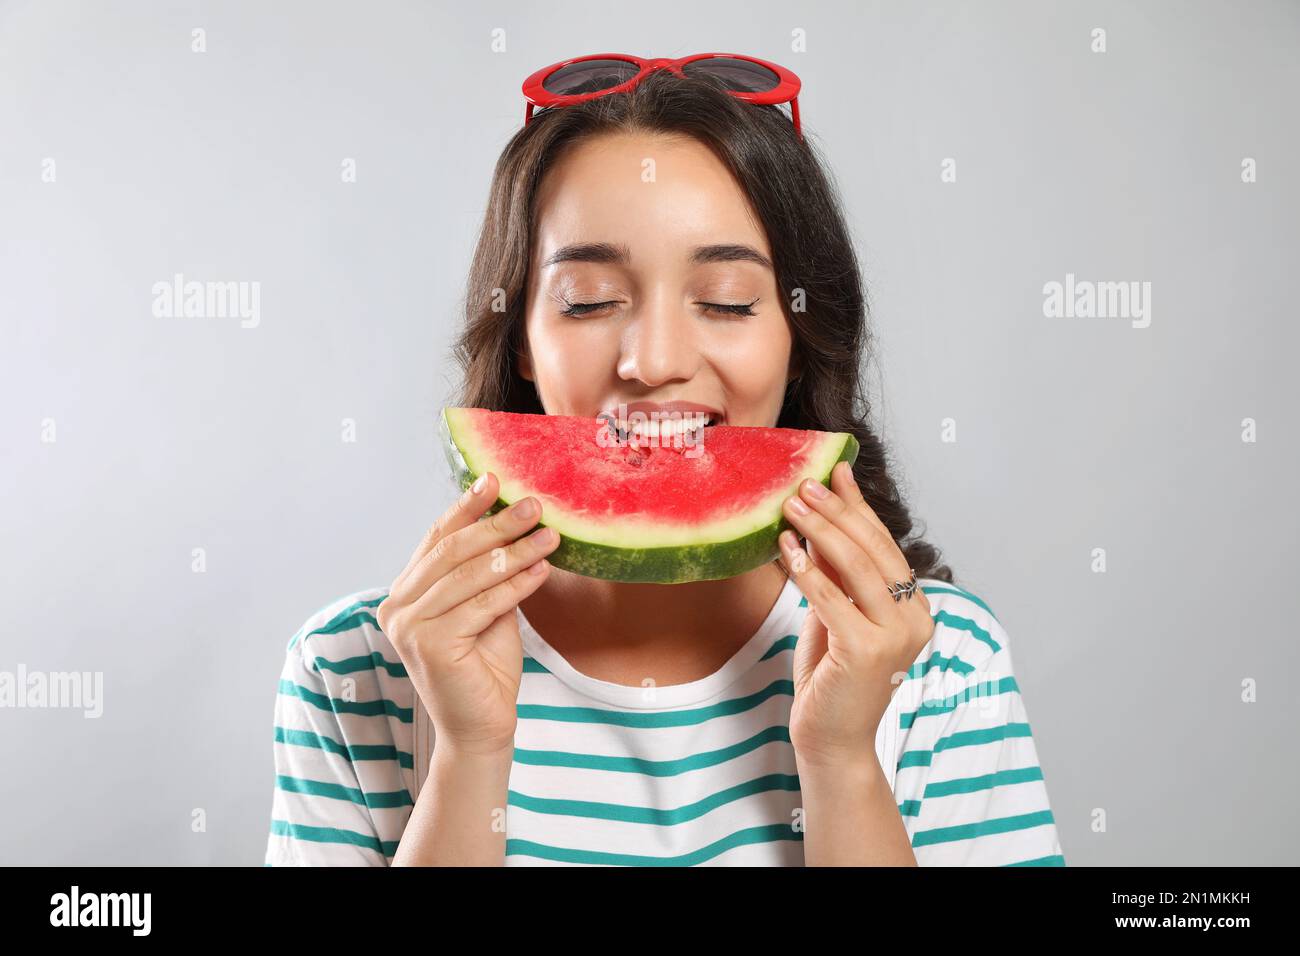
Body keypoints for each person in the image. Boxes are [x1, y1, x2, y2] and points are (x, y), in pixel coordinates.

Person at [265, 54, 1065, 866]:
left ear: (798, 341)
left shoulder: (936, 660)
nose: (652, 360)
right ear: (521, 344)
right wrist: (466, 760)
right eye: (587, 300)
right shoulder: (357, 671)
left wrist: (845, 763)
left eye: (726, 300)